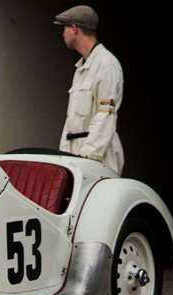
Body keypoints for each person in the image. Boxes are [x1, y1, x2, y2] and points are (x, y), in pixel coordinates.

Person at [55, 5, 124, 174]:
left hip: (98, 157)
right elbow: (71, 120)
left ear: (74, 28)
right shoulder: (81, 68)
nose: (62, 33)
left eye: (64, 27)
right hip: (76, 157)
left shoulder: (106, 65)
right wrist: (62, 157)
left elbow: (105, 115)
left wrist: (88, 159)